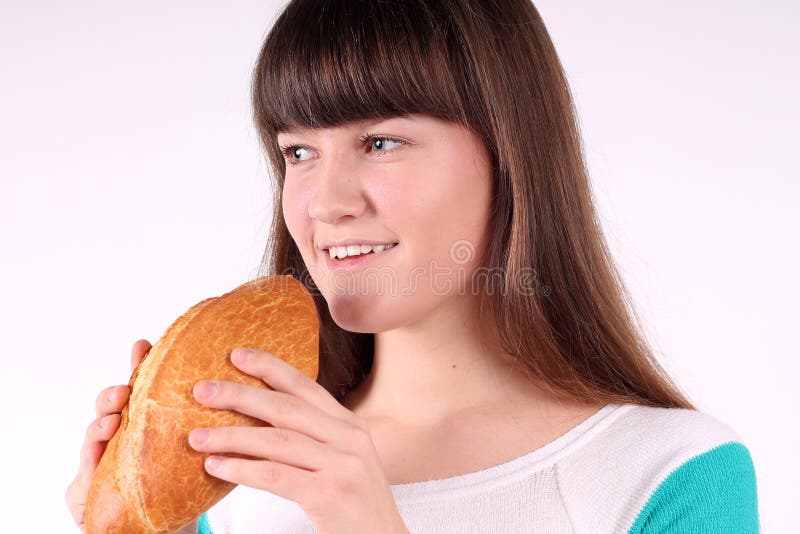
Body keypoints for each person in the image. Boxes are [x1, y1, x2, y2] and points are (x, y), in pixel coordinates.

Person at [66, 0, 761, 532]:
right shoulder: (238, 479)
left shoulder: (668, 474)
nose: (326, 203)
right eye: (298, 152)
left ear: (509, 154)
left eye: (380, 141)